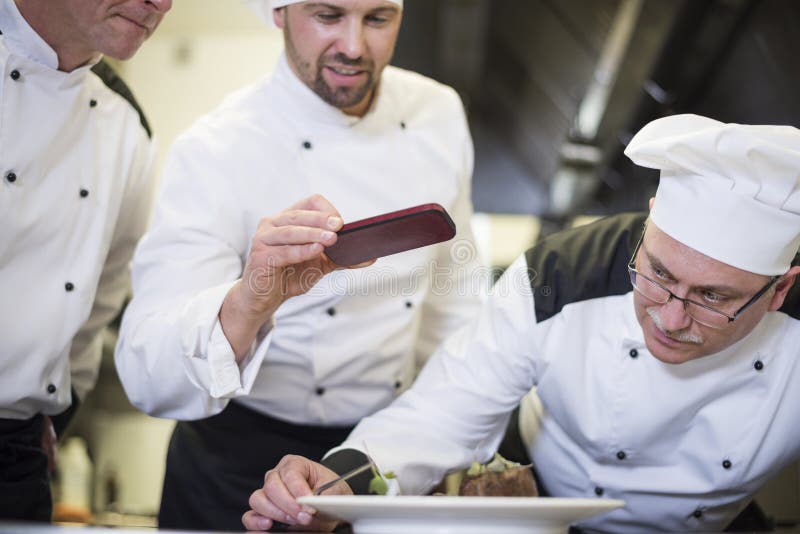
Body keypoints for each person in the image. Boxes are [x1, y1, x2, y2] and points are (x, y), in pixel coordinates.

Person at [243, 113, 800, 533]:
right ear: (649, 220)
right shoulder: (558, 274)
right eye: (657, 273)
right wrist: (339, 489)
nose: (671, 316)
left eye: (712, 298)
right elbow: (444, 414)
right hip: (545, 515)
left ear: (779, 290)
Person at [113, 0, 484, 530]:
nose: (355, 47)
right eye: (328, 16)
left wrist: (440, 445)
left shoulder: (438, 113)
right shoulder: (216, 147)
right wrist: (252, 298)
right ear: (278, 13)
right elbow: (146, 373)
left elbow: (455, 310)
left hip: (381, 459)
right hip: (235, 465)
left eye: (379, 19)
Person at [0, 0, 171, 523]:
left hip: (15, 460)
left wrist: (56, 416)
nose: (159, 3)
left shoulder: (127, 125)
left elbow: (101, 298)